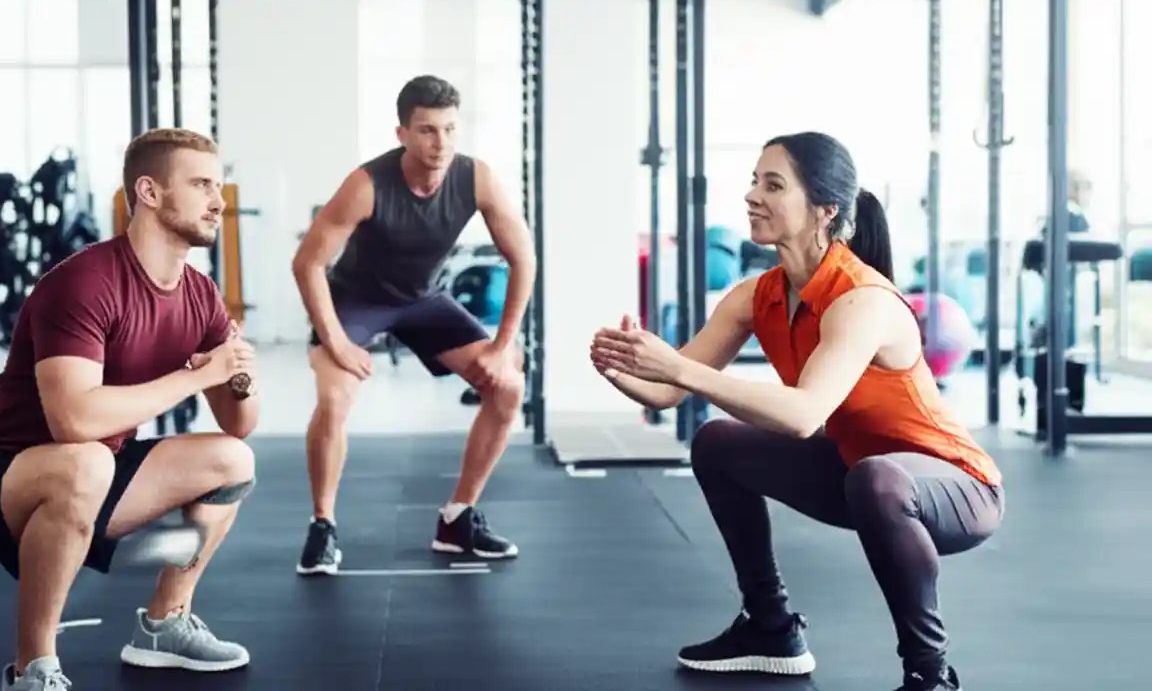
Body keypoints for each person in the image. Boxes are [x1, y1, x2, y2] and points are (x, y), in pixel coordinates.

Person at [590, 132, 1004, 691]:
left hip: (955, 488)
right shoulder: (754, 296)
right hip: (857, 473)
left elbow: (804, 414)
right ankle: (770, 627)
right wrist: (625, 370)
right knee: (717, 443)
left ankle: (930, 674)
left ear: (824, 210)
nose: (752, 197)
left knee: (878, 478)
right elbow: (668, 391)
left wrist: (678, 368)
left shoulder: (862, 300)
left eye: (773, 185)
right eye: (754, 182)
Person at [0, 128, 261, 690]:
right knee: (87, 461)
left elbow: (238, 426)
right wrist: (194, 375)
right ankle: (32, 669)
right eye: (202, 184)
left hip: (93, 469)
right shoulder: (84, 283)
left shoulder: (200, 293)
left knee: (231, 461)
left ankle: (164, 624)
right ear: (150, 192)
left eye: (219, 185)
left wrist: (236, 375)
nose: (217, 201)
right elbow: (74, 422)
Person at [291, 75, 535, 574]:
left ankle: (458, 518)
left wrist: (502, 345)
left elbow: (523, 257)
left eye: (448, 129)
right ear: (401, 133)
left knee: (508, 387)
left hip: (423, 301)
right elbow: (308, 263)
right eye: (426, 130)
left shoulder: (477, 177)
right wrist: (336, 341)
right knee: (335, 398)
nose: (440, 143)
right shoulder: (366, 185)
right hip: (355, 302)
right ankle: (323, 525)